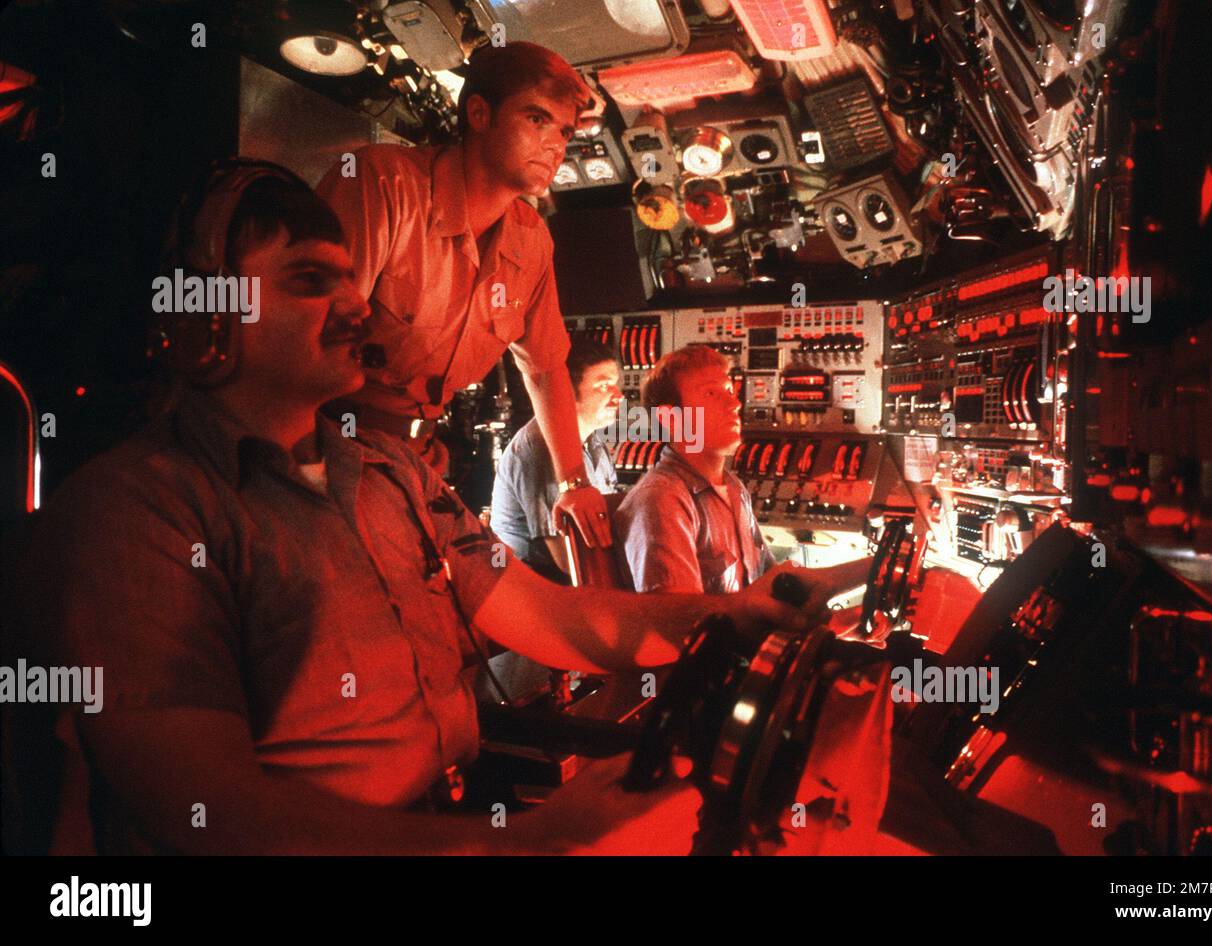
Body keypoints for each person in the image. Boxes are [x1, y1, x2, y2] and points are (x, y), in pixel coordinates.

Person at [11, 160, 829, 855]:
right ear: (205, 316)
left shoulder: (390, 474)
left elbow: (560, 620)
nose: (358, 307)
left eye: (348, 279)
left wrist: (731, 614)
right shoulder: (137, 511)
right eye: (308, 281)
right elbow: (214, 815)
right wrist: (526, 846)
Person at [315, 41, 614, 552]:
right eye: (537, 119)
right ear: (480, 113)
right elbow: (309, 338)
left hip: (412, 456)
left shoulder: (532, 240)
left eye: (564, 131)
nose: (555, 145)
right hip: (327, 444)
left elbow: (545, 368)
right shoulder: (383, 185)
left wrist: (574, 484)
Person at [616, 345, 777, 594]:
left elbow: (772, 583)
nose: (734, 403)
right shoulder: (660, 499)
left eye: (730, 390)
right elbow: (679, 618)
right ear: (671, 419)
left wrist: (856, 575)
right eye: (712, 394)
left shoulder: (734, 488)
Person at [490, 336, 620, 582]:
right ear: (566, 393)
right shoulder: (539, 450)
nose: (619, 396)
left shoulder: (593, 442)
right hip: (536, 586)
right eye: (604, 386)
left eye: (616, 385)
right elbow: (569, 562)